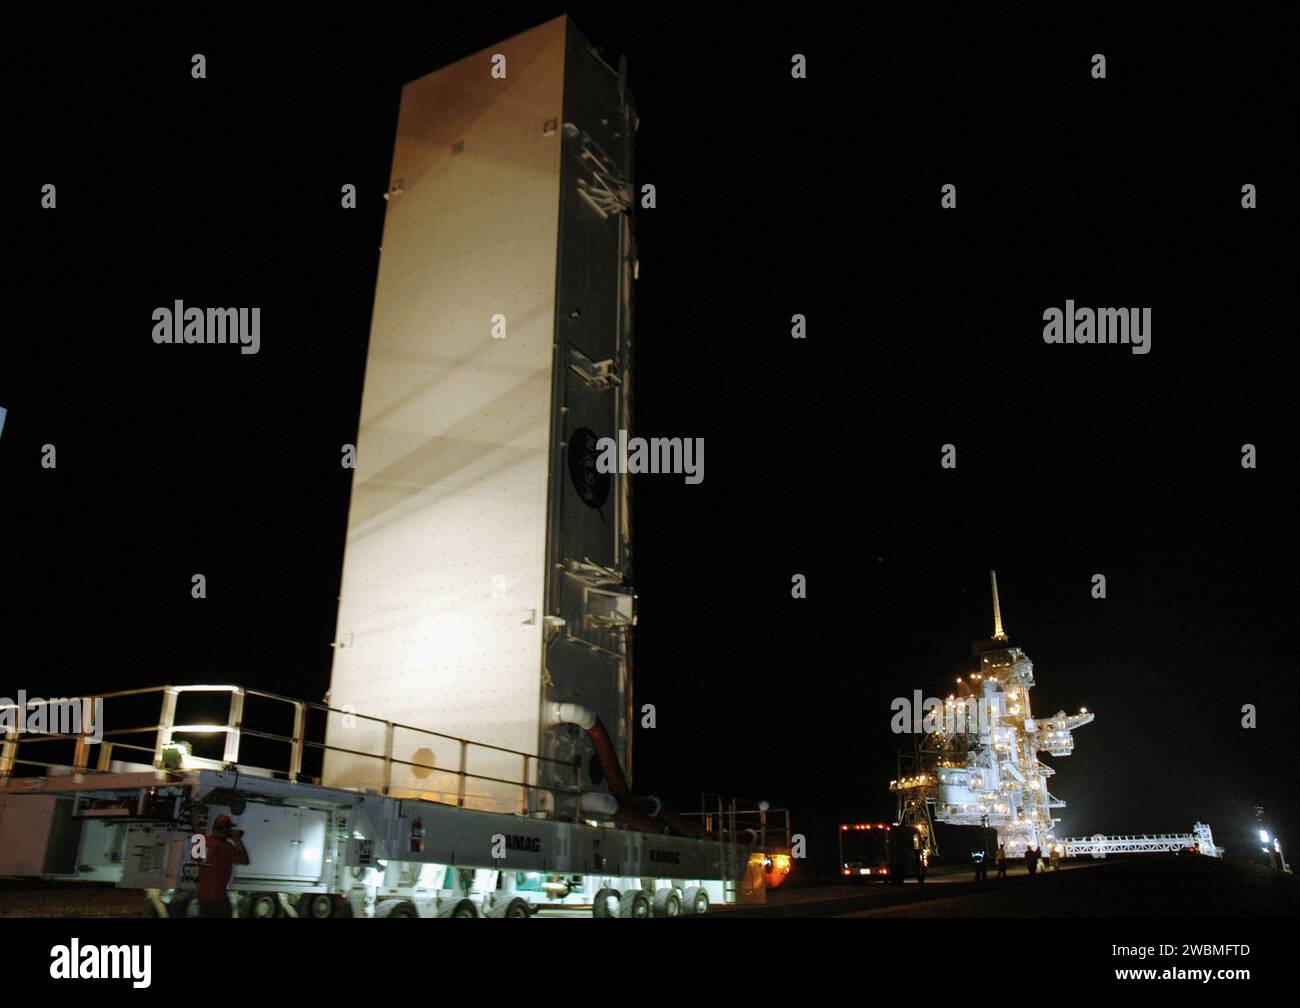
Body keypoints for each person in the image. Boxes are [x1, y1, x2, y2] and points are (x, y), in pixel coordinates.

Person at [194, 813, 249, 917]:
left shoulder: (203, 841)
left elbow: (195, 857)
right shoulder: (226, 847)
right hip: (217, 895)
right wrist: (237, 840)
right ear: (225, 830)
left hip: (202, 893)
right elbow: (245, 860)